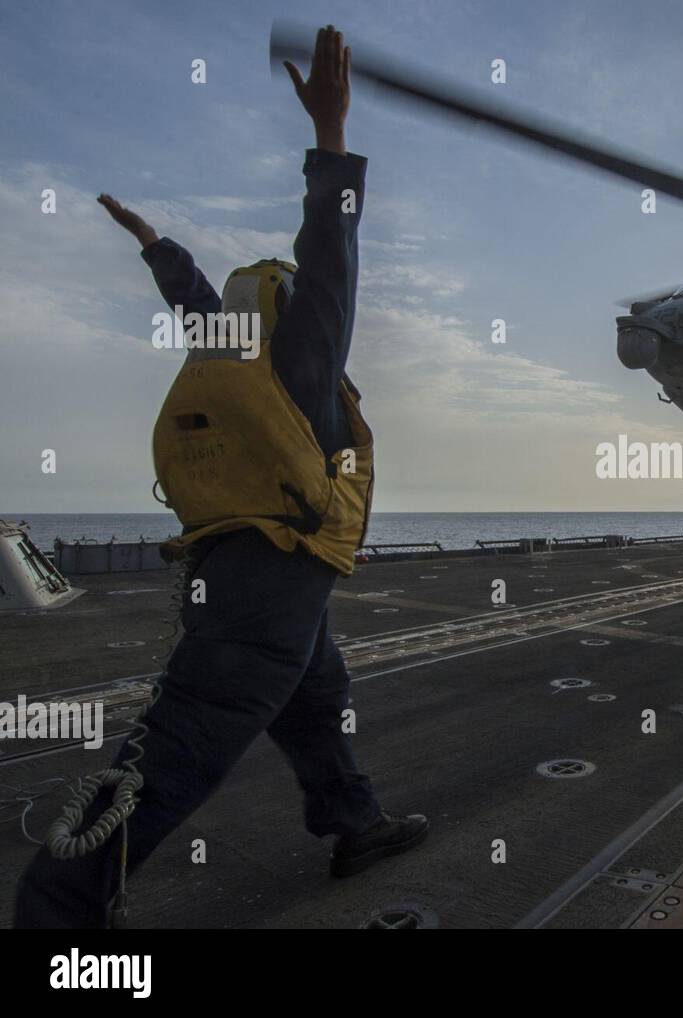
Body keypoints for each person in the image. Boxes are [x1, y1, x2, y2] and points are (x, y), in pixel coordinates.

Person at [15, 25, 426, 929]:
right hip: (269, 582)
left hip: (248, 570)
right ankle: (56, 912)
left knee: (317, 697)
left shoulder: (230, 356)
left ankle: (353, 820)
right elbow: (329, 252)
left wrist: (155, 242)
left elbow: (196, 299)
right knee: (181, 744)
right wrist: (331, 134)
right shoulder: (299, 364)